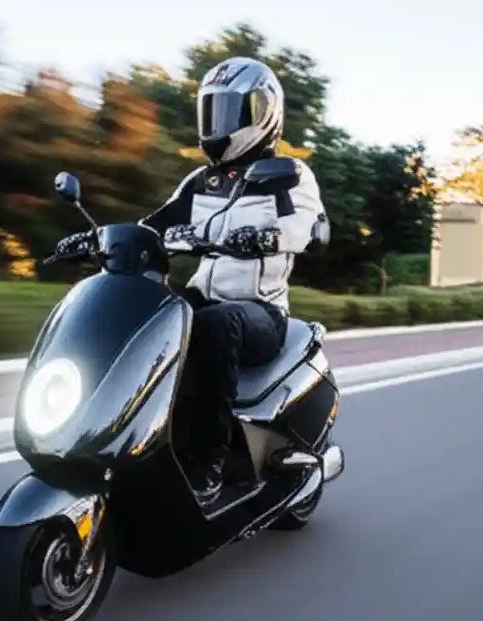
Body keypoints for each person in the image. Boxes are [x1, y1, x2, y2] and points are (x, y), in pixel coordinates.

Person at [55, 57, 327, 505]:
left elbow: (311, 228)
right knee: (145, 318)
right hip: (204, 299)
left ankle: (207, 466)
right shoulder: (202, 181)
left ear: (261, 114)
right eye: (212, 111)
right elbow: (154, 225)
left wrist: (267, 235)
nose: (217, 125)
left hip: (260, 311)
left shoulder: (289, 177)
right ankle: (127, 438)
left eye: (230, 112)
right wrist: (96, 239)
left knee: (216, 324)